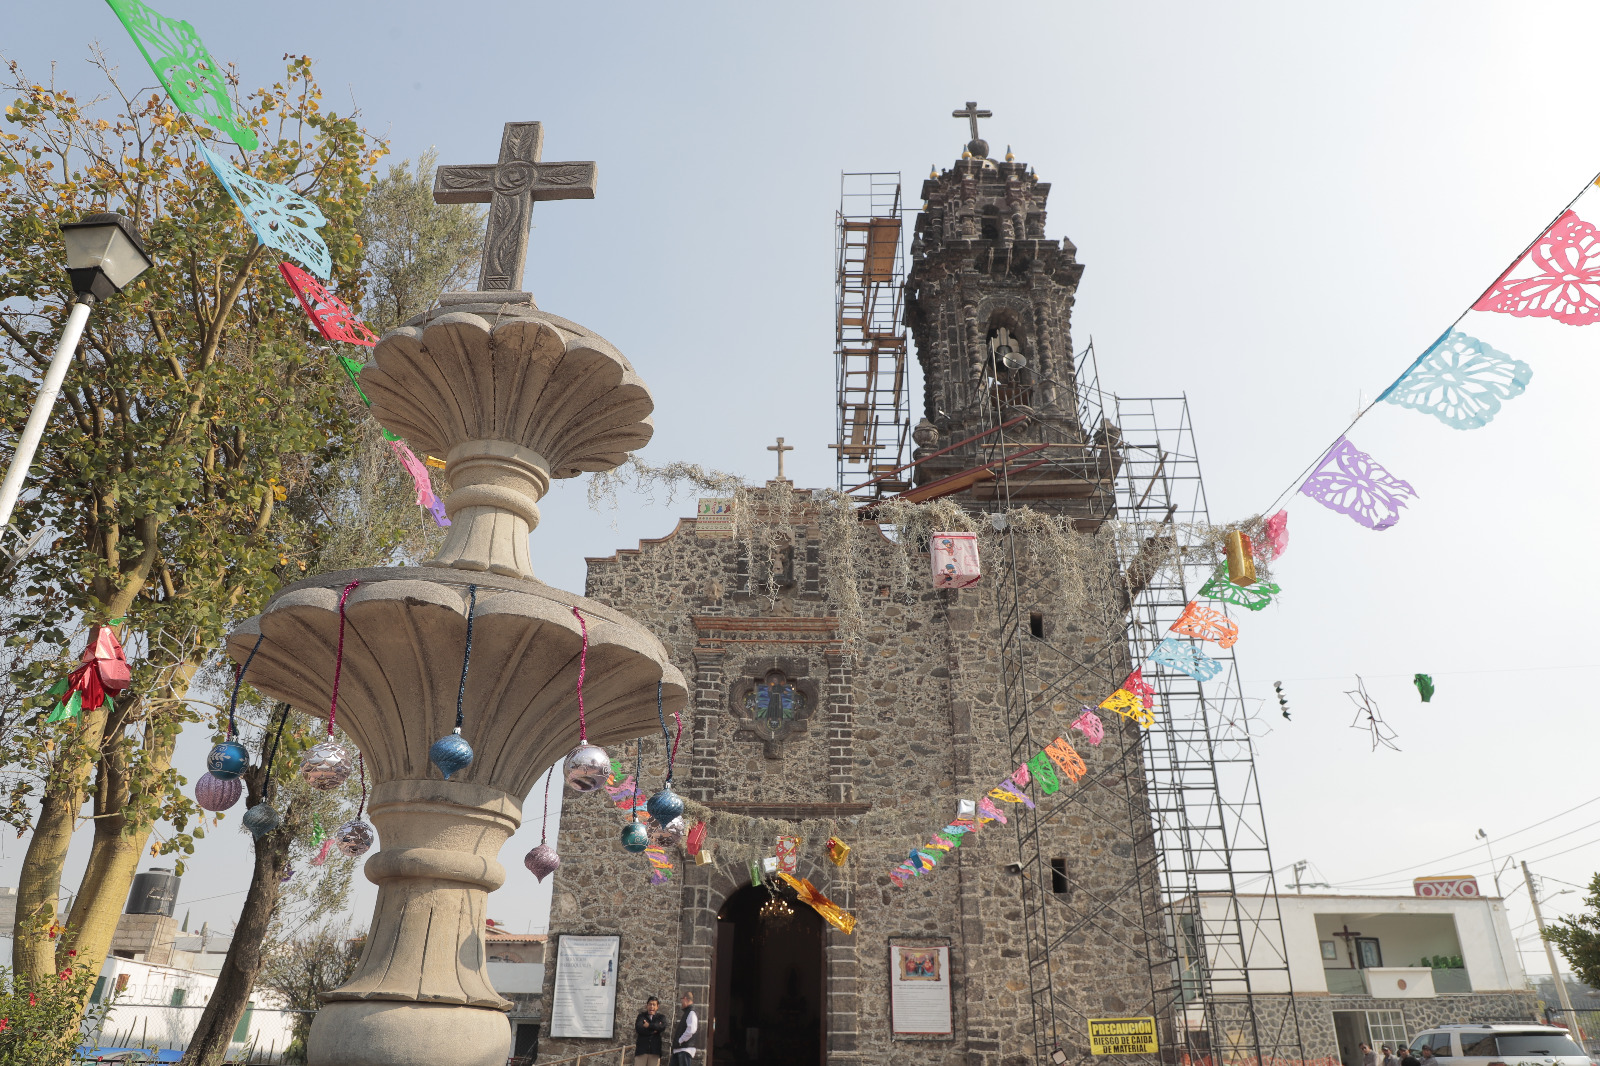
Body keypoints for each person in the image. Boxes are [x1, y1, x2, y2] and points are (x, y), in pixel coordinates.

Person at [635, 996, 666, 1066]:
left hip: (655, 1051)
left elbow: (662, 1027)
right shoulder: (641, 1016)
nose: (652, 1006)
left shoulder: (661, 1017)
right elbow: (639, 1029)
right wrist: (653, 1031)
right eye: (650, 1004)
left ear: (657, 1007)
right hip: (642, 1051)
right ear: (647, 1005)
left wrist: (648, 1025)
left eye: (654, 1005)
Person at [672, 991, 700, 1065]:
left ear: (685, 999)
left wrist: (680, 1040)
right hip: (680, 1049)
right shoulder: (688, 1012)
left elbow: (691, 1030)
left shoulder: (691, 1013)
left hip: (685, 1050)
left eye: (681, 999)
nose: (681, 1002)